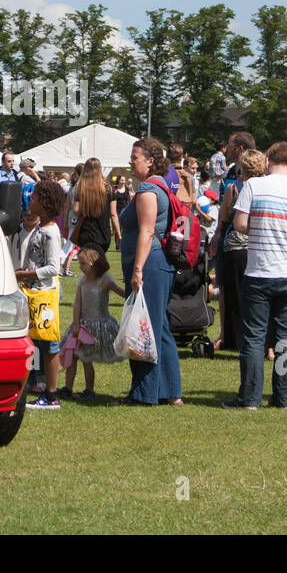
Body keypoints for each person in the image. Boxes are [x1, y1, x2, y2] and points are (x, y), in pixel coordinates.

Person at [226, 141, 287, 410]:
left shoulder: (254, 186)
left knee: (254, 337)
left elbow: (240, 223)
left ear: (267, 161)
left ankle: (250, 398)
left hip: (259, 271)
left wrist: (263, 228)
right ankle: (284, 398)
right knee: (286, 339)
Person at [113, 137, 182, 406]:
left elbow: (147, 230)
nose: (130, 162)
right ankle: (170, 392)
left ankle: (144, 393)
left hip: (150, 264)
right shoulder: (161, 186)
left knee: (143, 328)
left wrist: (138, 269)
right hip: (158, 263)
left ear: (150, 161)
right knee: (160, 327)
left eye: (135, 157)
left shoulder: (148, 189)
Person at [12, 180, 66, 408]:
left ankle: (51, 394)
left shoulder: (51, 232)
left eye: (33, 198)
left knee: (49, 345)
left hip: (44, 295)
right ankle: (29, 386)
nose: (29, 201)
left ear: (43, 204)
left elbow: (54, 268)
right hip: (32, 292)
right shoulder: (40, 229)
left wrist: (26, 274)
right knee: (33, 343)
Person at [60, 248, 125, 400]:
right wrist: (76, 325)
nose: (80, 266)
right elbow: (77, 305)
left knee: (86, 358)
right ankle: (67, 388)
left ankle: (89, 390)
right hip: (81, 326)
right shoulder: (82, 281)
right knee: (72, 356)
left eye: (83, 263)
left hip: (97, 326)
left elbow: (122, 293)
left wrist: (134, 293)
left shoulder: (105, 281)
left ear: (94, 264)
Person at [218, 151, 264, 358]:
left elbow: (225, 215)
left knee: (234, 293)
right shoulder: (266, 188)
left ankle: (235, 338)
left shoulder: (234, 188)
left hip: (236, 244)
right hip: (260, 244)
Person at [70, 158, 112, 259]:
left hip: (86, 232)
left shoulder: (81, 189)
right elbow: (112, 213)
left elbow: (76, 211)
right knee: (99, 265)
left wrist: (87, 207)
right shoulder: (107, 189)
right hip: (103, 232)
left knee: (89, 267)